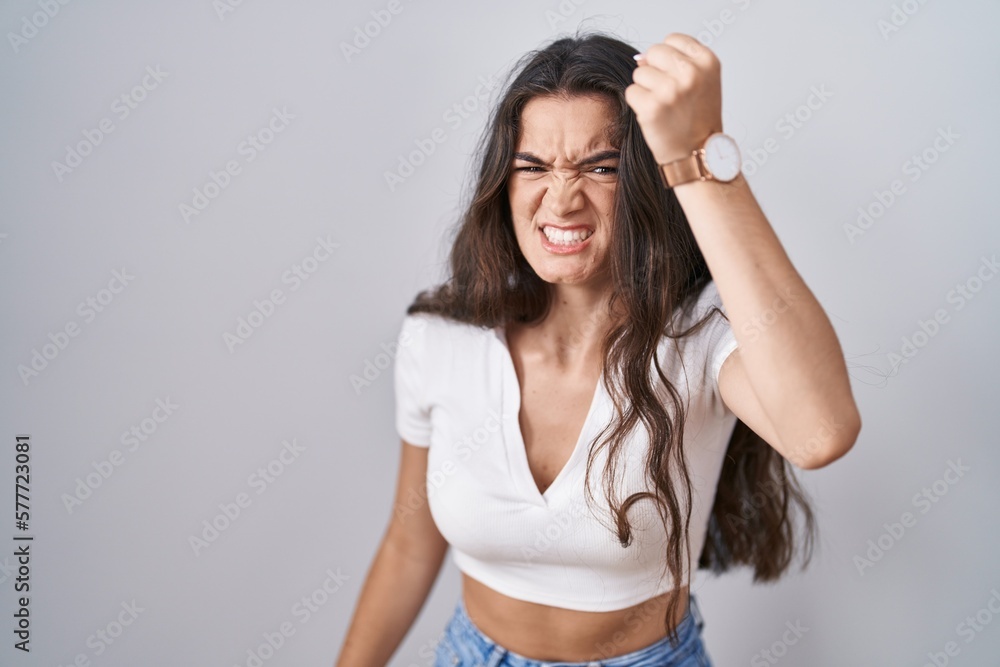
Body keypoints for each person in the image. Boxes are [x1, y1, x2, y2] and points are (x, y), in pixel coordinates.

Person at [335, 29, 861, 667]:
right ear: (502, 182)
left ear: (645, 180)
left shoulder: (700, 334)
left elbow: (820, 433)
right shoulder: (442, 335)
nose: (561, 198)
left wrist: (697, 155)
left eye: (601, 167)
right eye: (532, 166)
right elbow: (409, 544)